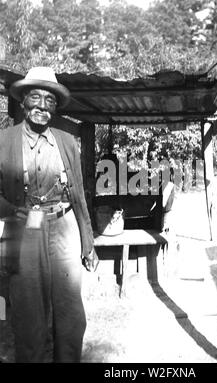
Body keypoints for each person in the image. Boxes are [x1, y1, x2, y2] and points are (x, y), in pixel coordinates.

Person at [0, 66, 99, 363]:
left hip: (63, 225)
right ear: (22, 101)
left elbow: (79, 193)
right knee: (28, 312)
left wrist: (88, 241)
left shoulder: (67, 141)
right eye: (35, 97)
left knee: (71, 313)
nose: (42, 106)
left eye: (50, 100)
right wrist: (9, 225)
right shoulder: (3, 141)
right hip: (24, 229)